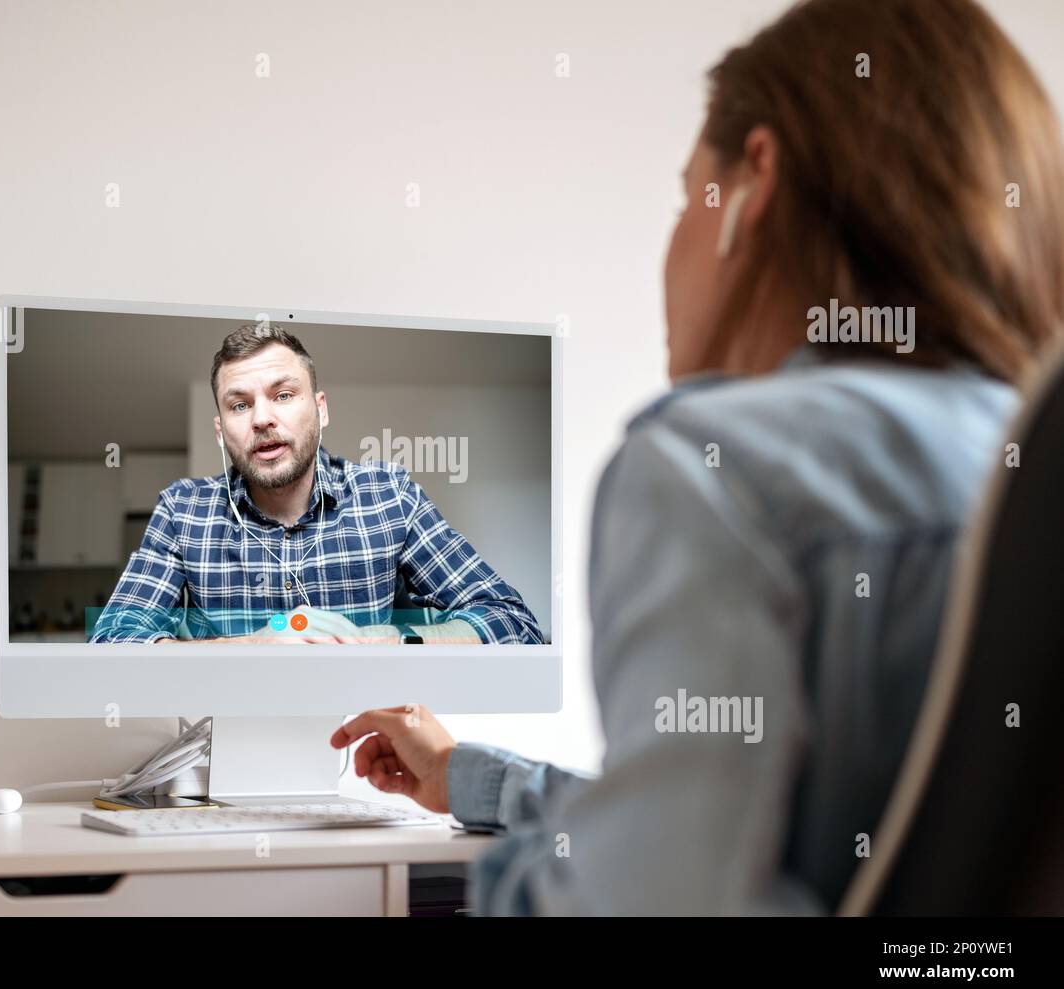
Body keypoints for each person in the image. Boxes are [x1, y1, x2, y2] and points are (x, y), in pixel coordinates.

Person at [331, 0, 1064, 914]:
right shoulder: (1025, 450)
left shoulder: (714, 468)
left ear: (755, 182)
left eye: (687, 197)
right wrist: (476, 778)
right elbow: (756, 848)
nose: (672, 242)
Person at [90, 323, 543, 644]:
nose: (263, 418)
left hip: (373, 753)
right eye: (240, 405)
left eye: (283, 395)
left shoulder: (389, 496)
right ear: (220, 429)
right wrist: (253, 652)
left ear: (320, 410)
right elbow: (113, 640)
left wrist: (395, 643)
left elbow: (512, 623)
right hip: (232, 754)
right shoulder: (182, 510)